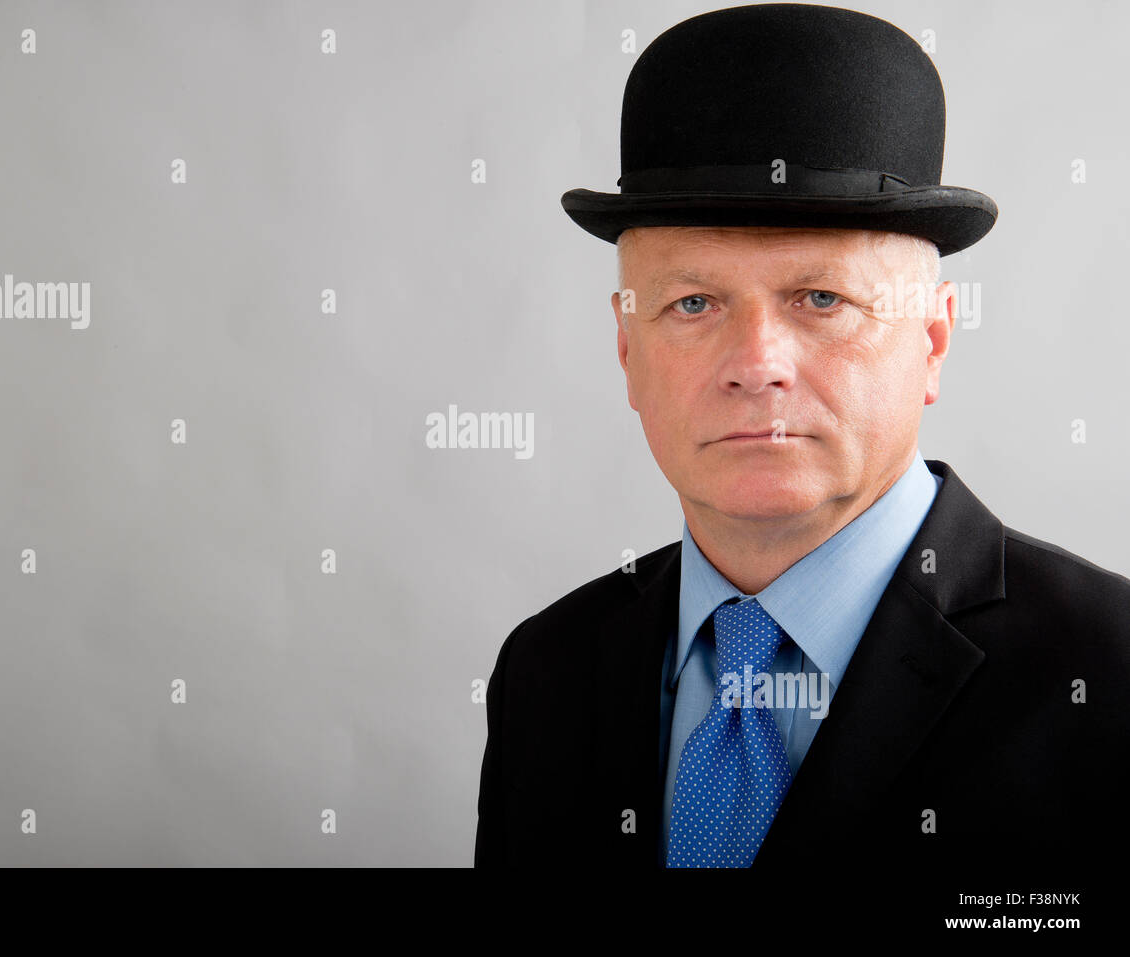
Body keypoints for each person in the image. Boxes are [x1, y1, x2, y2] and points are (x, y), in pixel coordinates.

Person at [474, 3, 1130, 872]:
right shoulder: (547, 672)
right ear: (629, 349)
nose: (757, 365)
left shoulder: (1111, 674)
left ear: (932, 340)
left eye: (822, 299)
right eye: (694, 303)